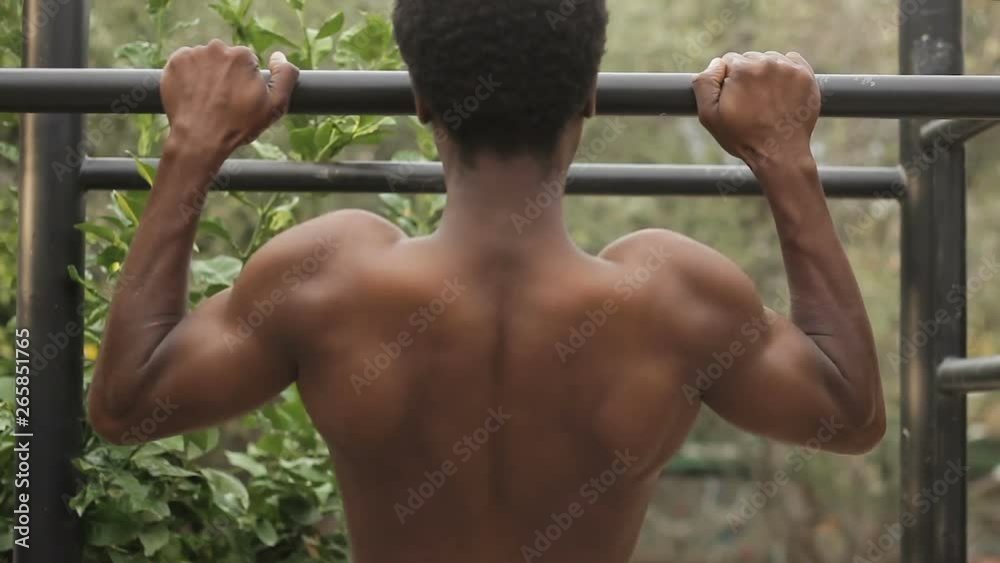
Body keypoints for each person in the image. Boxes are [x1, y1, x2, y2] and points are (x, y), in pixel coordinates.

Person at [88, 1, 886, 561]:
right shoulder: (672, 297)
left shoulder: (327, 278)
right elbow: (850, 413)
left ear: (422, 99)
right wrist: (784, 154)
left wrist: (194, 144)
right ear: (590, 96)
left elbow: (126, 403)